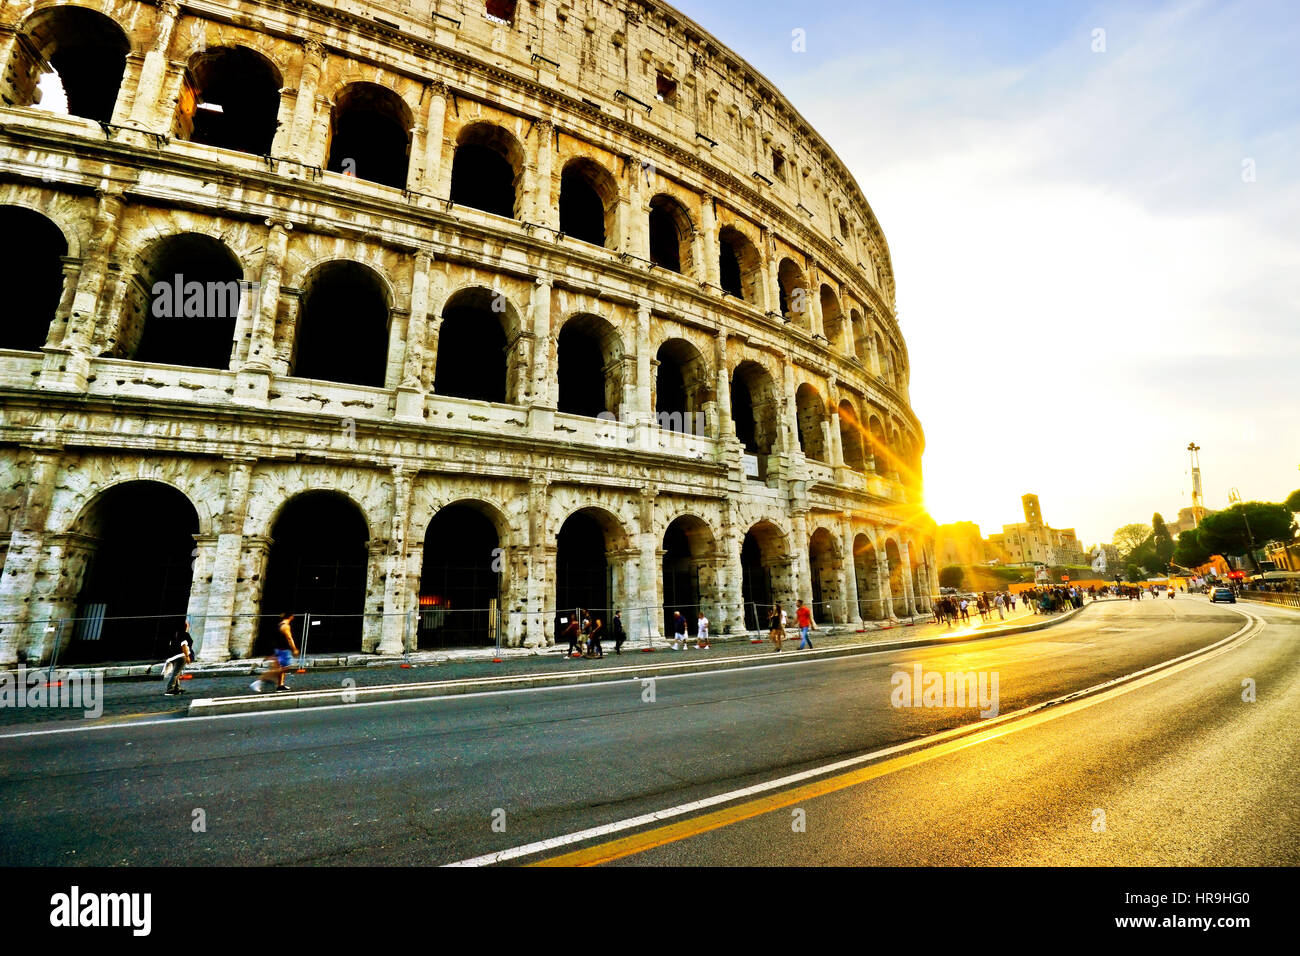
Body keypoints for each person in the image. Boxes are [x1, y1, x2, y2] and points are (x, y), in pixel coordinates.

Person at [252, 612, 299, 693]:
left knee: (281, 668)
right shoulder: (286, 626)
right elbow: (289, 638)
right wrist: (294, 649)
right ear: (291, 617)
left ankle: (280, 686)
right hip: (284, 650)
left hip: (279, 649)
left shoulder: (280, 624)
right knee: (284, 668)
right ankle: (261, 680)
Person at [163, 620, 193, 696]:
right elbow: (184, 646)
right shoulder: (185, 635)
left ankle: (177, 688)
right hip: (181, 656)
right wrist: (187, 656)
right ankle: (170, 689)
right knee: (176, 673)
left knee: (176, 672)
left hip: (172, 657)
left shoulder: (174, 634)